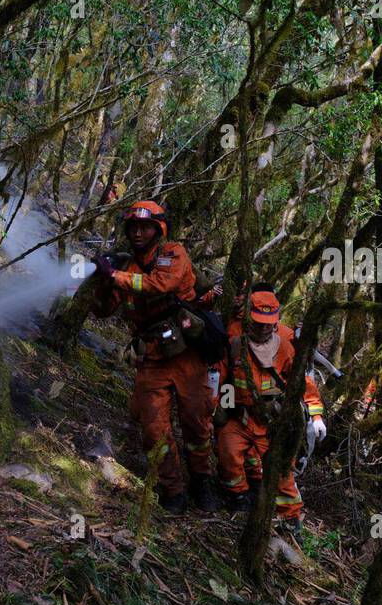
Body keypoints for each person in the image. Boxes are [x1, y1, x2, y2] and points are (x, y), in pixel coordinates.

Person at [90, 200, 218, 514]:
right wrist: (103, 280)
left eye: (144, 227)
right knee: (153, 428)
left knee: (197, 424)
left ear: (158, 229)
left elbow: (161, 284)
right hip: (151, 358)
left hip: (187, 355)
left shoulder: (173, 254)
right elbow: (104, 310)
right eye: (132, 227)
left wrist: (117, 276)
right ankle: (173, 489)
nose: (137, 233)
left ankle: (201, 481)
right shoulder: (126, 267)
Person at [216, 284, 325, 531]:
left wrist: (316, 415)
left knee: (281, 471)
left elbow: (303, 382)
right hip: (239, 417)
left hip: (270, 423)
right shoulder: (236, 344)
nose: (263, 328)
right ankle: (239, 497)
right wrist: (221, 409)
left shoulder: (284, 347)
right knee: (228, 453)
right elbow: (221, 377)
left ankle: (291, 518)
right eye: (258, 322)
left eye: (268, 323)